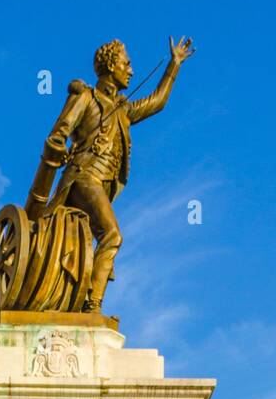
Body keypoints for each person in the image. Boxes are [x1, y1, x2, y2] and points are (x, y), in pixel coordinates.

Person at [26, 35, 194, 312]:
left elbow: (158, 101)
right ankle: (92, 305)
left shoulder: (124, 110)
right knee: (112, 235)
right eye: (126, 64)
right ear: (110, 66)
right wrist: (59, 149)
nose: (131, 70)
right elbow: (59, 133)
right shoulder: (85, 97)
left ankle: (79, 296)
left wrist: (174, 64)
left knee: (94, 243)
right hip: (83, 177)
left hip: (101, 185)